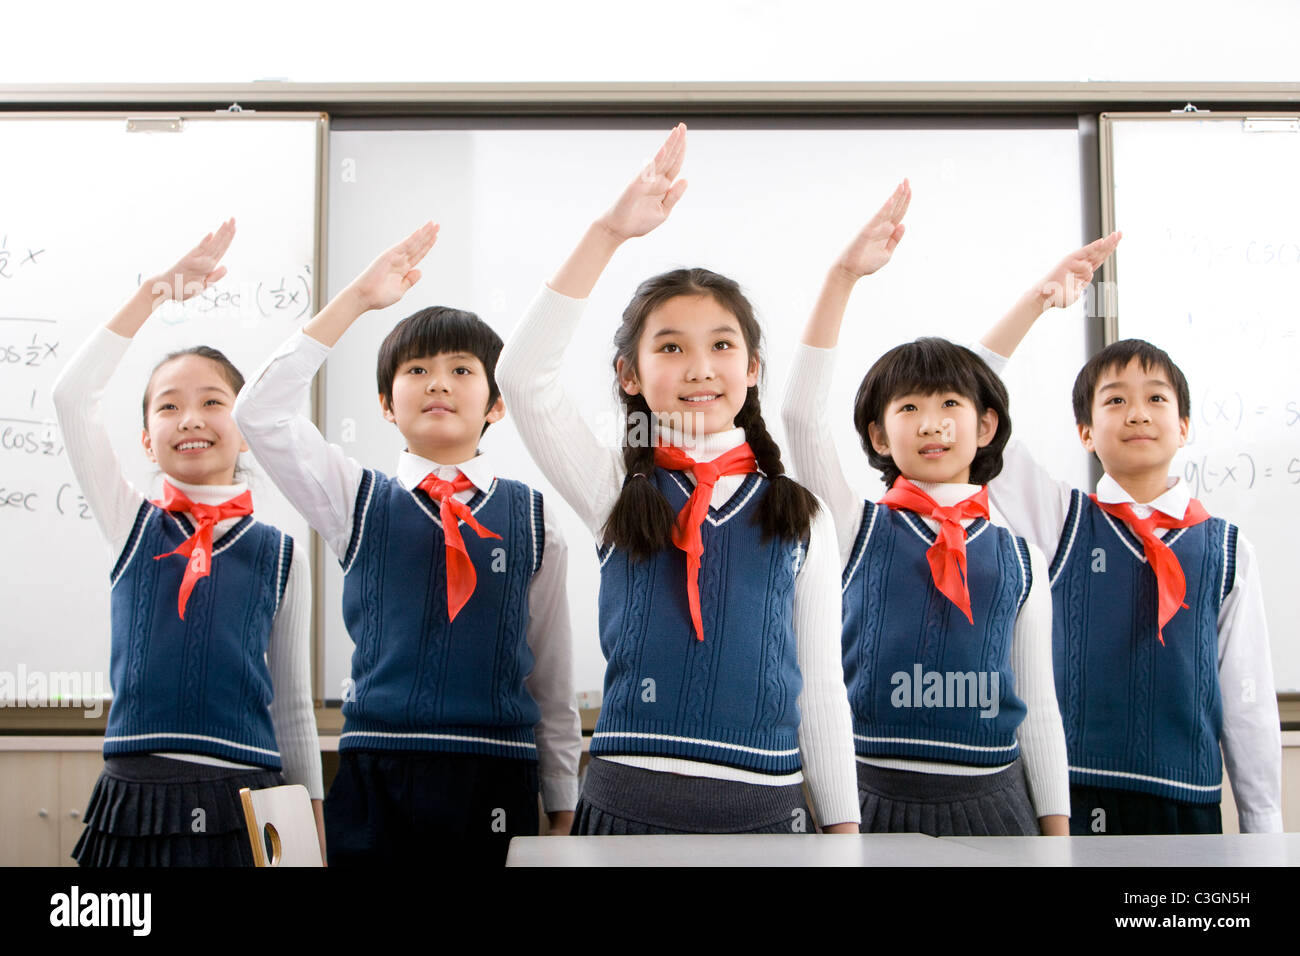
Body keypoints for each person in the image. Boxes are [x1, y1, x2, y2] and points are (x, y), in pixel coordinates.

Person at [497, 124, 860, 834]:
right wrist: (608, 233)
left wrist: (844, 831)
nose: (700, 368)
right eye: (670, 347)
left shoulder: (800, 511)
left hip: (767, 814)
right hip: (627, 808)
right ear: (630, 377)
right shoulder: (615, 488)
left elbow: (821, 687)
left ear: (752, 369)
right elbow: (521, 376)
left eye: (722, 346)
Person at [233, 222, 581, 864]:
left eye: (461, 369)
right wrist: (357, 301)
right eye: (416, 369)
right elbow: (258, 412)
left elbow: (551, 676)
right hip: (377, 773)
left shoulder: (535, 517)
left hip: (496, 774)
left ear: (496, 405)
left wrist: (562, 800)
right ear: (387, 405)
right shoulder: (353, 498)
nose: (438, 383)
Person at [781, 184, 1070, 835]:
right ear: (879, 436)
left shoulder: (1022, 557)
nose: (931, 424)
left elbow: (1040, 707)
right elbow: (799, 416)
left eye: (948, 406)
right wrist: (842, 278)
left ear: (986, 426)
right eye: (908, 408)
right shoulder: (855, 527)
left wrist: (1056, 836)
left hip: (997, 806)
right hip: (868, 797)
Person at [977, 235, 1283, 833]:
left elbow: (1247, 698)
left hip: (1186, 801)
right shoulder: (1061, 519)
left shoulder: (1225, 548)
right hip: (1065, 795)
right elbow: (974, 397)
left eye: (1156, 398)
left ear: (1184, 425)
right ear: (1086, 433)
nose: (1138, 412)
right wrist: (1037, 304)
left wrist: (1262, 826)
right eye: (1114, 401)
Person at [52, 220, 324, 865]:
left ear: (246, 428)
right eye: (168, 407)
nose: (192, 418)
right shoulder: (132, 522)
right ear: (147, 439)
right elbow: (71, 396)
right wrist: (154, 294)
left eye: (213, 401)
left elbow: (291, 706)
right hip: (136, 798)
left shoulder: (283, 553)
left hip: (247, 801)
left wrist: (311, 826)